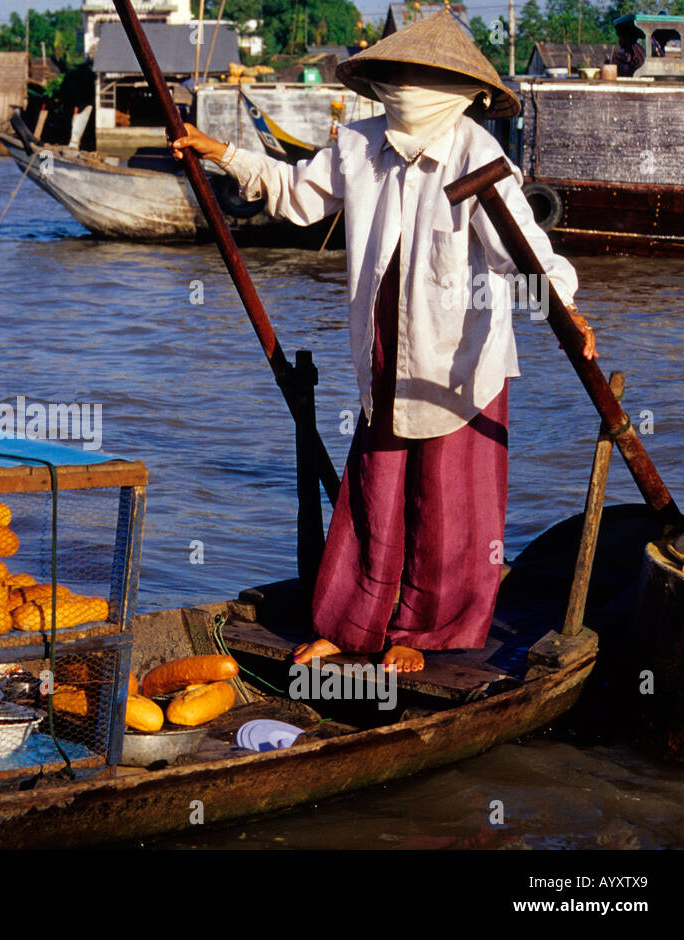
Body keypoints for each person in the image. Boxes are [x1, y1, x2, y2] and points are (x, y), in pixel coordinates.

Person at [171, 11, 597, 673]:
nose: (406, 89)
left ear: (457, 90)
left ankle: (426, 633)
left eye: (420, 77)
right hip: (384, 351)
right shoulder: (361, 145)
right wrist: (219, 152)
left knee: (449, 500)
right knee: (376, 488)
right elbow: (295, 193)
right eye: (397, 75)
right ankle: (352, 626)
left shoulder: (477, 154)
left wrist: (565, 306)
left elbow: (523, 253)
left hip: (460, 357)